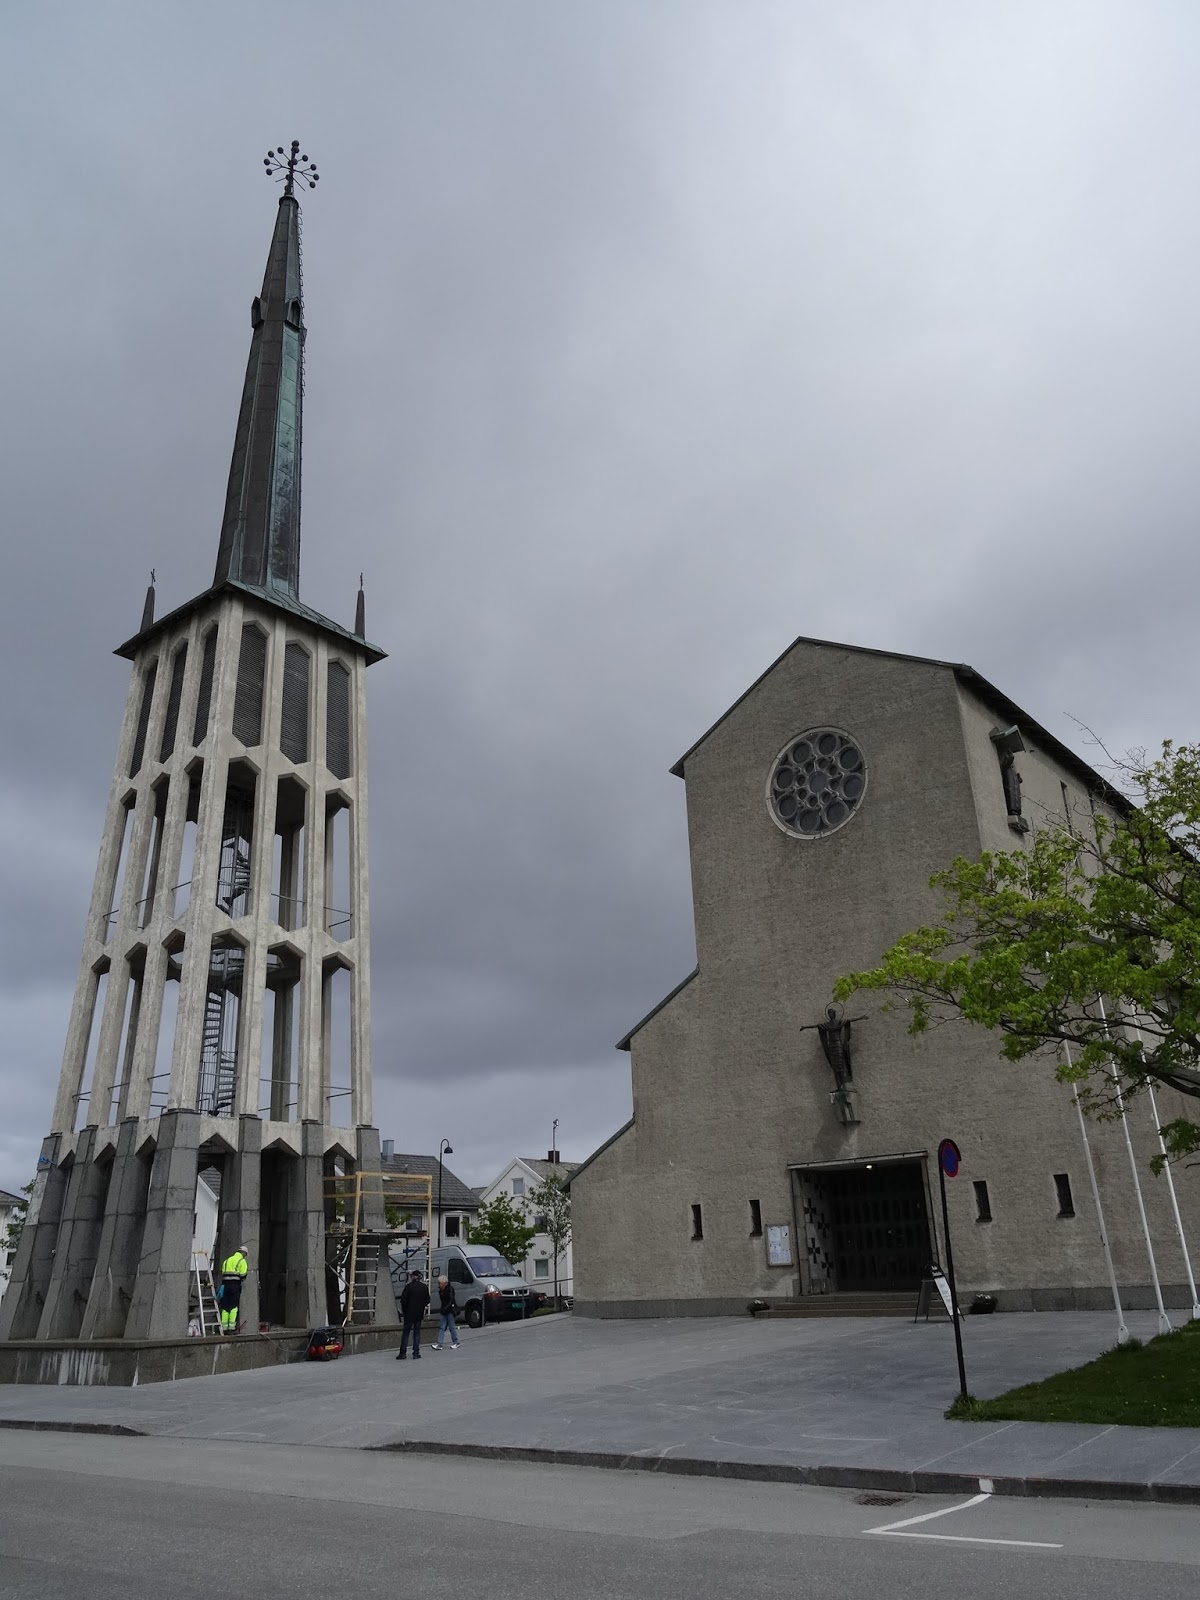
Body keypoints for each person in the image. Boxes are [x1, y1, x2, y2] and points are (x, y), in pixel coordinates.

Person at [396, 1269, 430, 1360]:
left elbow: (403, 1301)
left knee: (406, 1333)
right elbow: (427, 1300)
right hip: (419, 1314)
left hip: (408, 1314)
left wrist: (405, 1311)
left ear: (413, 1277)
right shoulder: (424, 1287)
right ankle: (416, 1352)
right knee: (417, 1333)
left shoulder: (408, 1287)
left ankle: (402, 1353)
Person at [218, 1243, 249, 1333]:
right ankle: (231, 1327)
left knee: (225, 1307)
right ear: (244, 1253)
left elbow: (223, 1272)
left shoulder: (227, 1260)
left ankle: (224, 1327)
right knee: (233, 1306)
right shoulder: (242, 1261)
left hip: (225, 1286)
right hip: (235, 1286)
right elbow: (243, 1275)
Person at [430, 1274, 460, 1351]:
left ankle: (456, 1342)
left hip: (450, 1310)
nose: (439, 1285)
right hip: (444, 1310)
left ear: (444, 1283)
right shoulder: (441, 1291)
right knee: (442, 1327)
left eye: (440, 1283)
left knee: (451, 1327)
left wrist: (445, 1308)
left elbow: (451, 1300)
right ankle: (439, 1343)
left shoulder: (450, 1289)